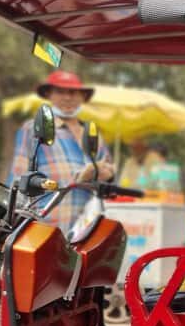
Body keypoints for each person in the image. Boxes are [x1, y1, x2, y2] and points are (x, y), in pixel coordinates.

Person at [7, 71, 114, 230]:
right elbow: (19, 178)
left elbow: (110, 178)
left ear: (82, 96)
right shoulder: (34, 128)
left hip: (88, 228)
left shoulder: (92, 133)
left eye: (72, 92)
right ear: (49, 94)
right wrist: (15, 223)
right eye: (60, 91)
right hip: (45, 227)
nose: (67, 97)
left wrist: (108, 175)